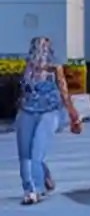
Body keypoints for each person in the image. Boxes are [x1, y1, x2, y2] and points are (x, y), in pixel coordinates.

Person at [14, 37, 82, 205]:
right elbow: (24, 91)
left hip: (49, 112)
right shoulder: (27, 66)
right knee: (25, 154)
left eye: (44, 48)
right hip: (27, 111)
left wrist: (74, 115)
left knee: (37, 152)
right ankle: (31, 186)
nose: (40, 51)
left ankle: (36, 190)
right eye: (37, 47)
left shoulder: (54, 69)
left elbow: (64, 92)